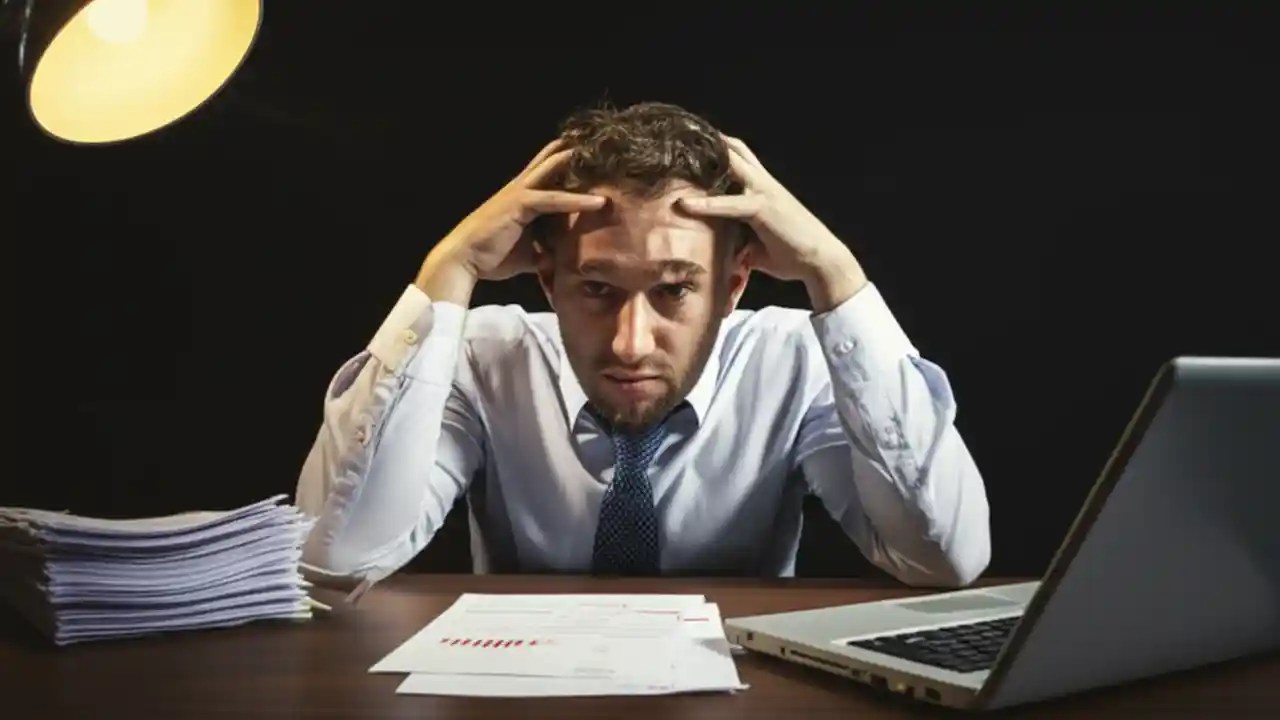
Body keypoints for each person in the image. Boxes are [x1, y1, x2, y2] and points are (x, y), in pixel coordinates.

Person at [294, 101, 990, 589]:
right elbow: (335, 558)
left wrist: (836, 274)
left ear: (733, 286)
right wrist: (448, 271)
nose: (631, 344)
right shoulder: (483, 356)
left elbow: (944, 557)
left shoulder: (795, 361)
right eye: (597, 288)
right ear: (547, 279)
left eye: (674, 290)